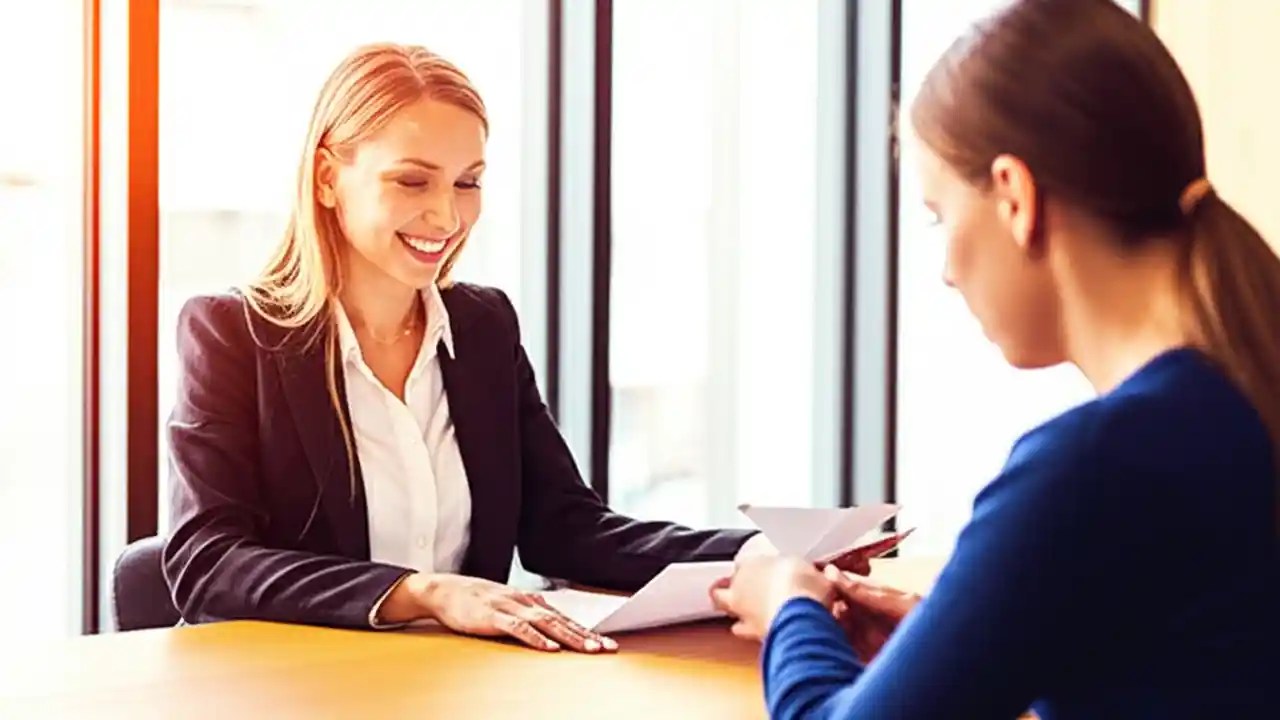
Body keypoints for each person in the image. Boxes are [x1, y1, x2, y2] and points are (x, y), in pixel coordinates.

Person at [710, 0, 1280, 716]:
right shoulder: (1239, 400)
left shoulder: (1095, 464)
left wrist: (788, 607)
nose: (946, 269)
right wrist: (961, 643)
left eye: (939, 215)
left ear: (1015, 196)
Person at [161, 42, 783, 653]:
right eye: (412, 181)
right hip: (299, 691)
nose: (445, 216)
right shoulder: (231, 333)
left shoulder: (484, 326)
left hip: (465, 687)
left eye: (467, 183)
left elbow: (565, 530)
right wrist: (420, 593)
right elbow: (206, 563)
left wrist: (767, 555)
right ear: (327, 178)